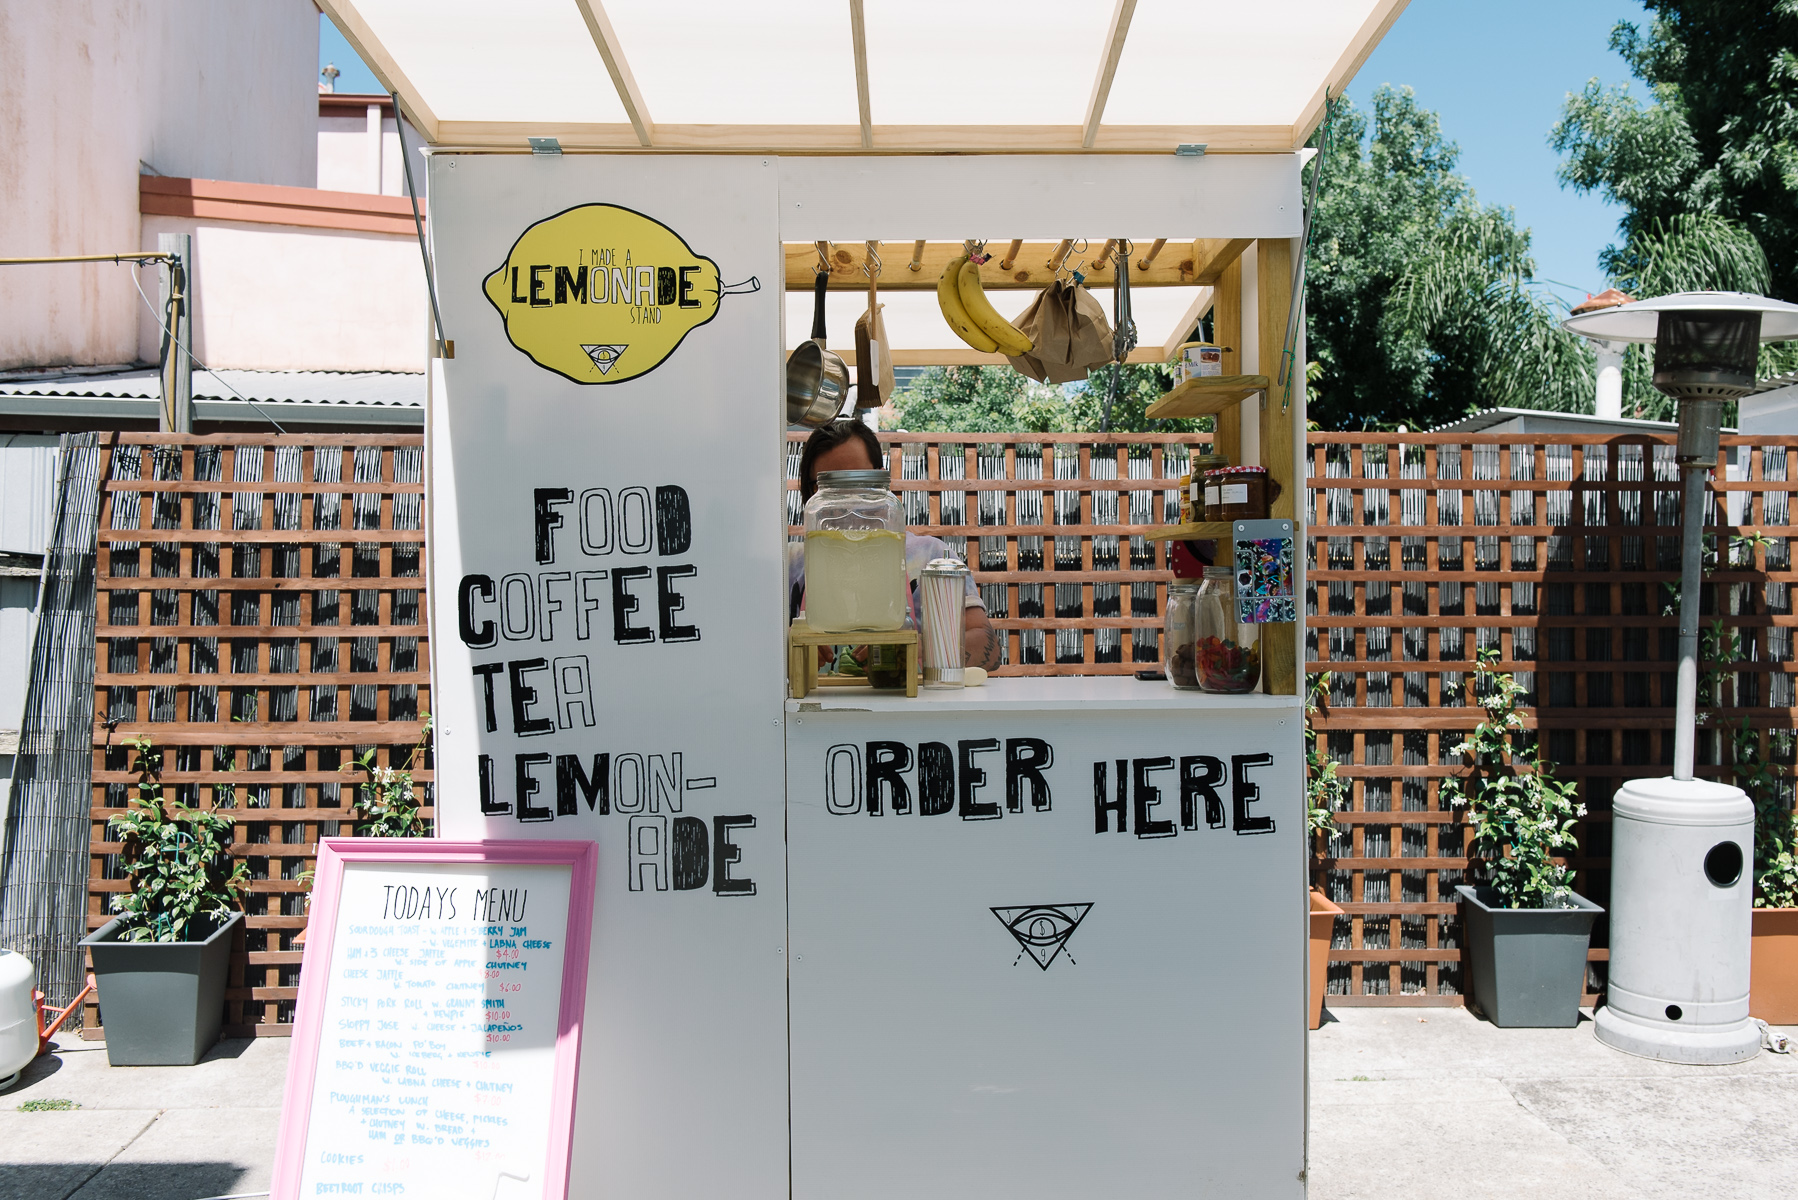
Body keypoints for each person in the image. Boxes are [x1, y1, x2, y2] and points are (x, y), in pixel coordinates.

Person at [792, 420, 1003, 672]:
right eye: (829, 486)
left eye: (858, 482)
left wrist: (914, 650)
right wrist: (787, 652)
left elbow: (988, 651)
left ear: (881, 480)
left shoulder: (932, 557)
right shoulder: (790, 565)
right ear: (811, 493)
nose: (846, 499)